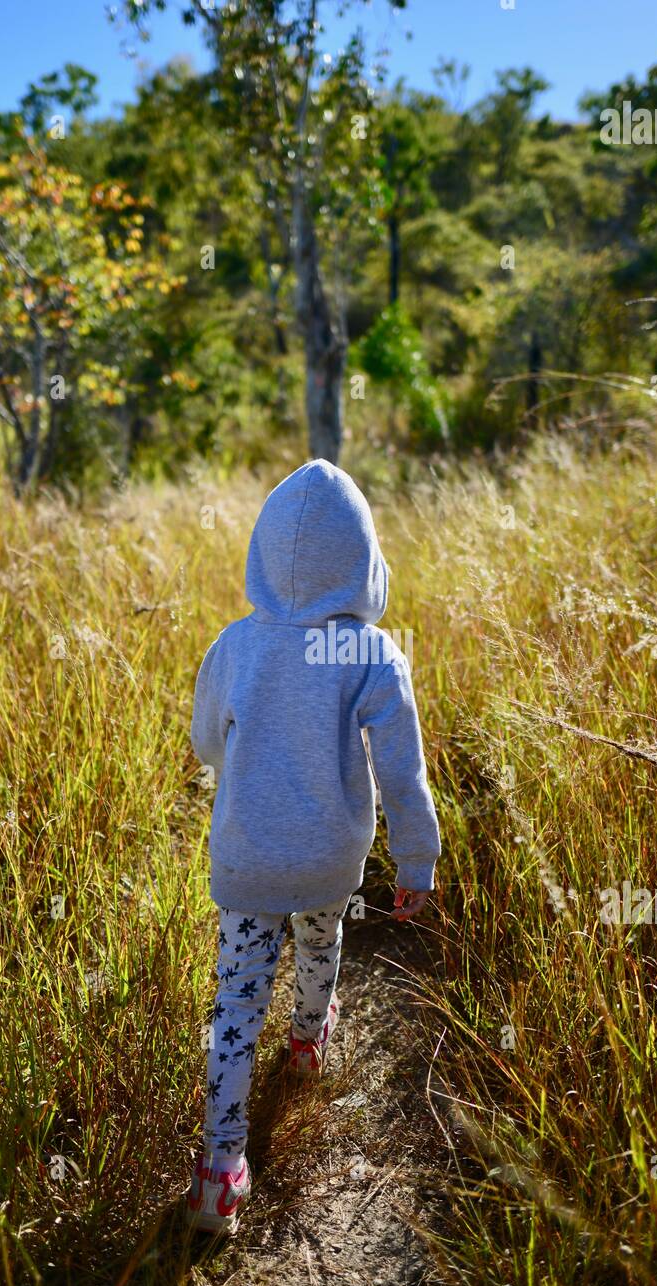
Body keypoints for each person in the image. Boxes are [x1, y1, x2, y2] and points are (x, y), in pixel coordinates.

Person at [185, 458, 441, 1234]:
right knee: (322, 942)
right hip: (330, 855)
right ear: (364, 564)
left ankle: (220, 1169)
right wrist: (417, 860)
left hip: (248, 855)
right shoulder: (370, 654)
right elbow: (404, 773)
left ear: (263, 555)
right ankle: (306, 1043)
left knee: (235, 1004)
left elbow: (205, 745)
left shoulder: (237, 645)